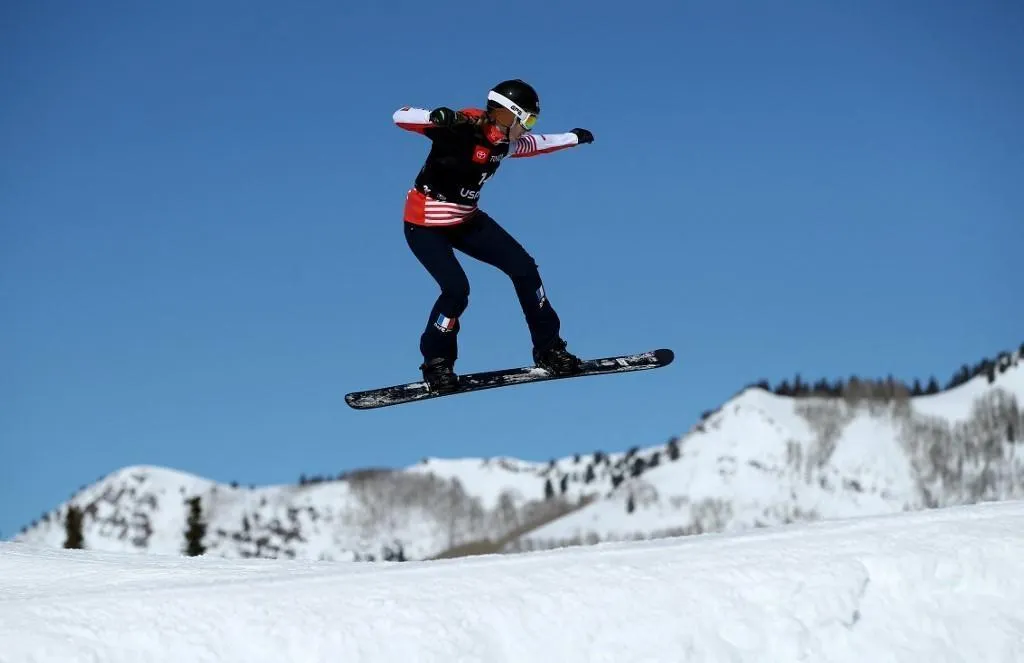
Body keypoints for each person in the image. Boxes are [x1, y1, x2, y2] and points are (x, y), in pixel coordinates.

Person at [393, 78, 595, 391]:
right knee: (456, 291)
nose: (529, 126)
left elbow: (536, 145)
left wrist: (572, 138)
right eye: (527, 119)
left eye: (533, 120)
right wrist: (434, 116)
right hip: (424, 225)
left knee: (525, 270)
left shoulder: (505, 141)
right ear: (506, 114)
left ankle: (549, 349)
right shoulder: (461, 128)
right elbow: (400, 116)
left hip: (466, 221)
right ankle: (437, 363)